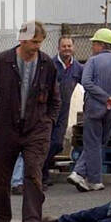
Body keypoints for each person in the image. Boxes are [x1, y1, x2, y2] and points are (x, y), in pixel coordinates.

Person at [0, 20, 61, 222]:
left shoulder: (47, 65)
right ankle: (1, 220)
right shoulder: (2, 61)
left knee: (33, 174)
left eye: (40, 42)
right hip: (5, 129)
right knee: (1, 177)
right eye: (34, 42)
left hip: (36, 129)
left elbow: (56, 99)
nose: (37, 46)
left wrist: (49, 122)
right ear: (22, 39)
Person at [68, 28, 111, 192]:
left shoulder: (93, 61)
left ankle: (83, 175)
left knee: (92, 142)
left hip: (94, 107)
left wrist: (104, 97)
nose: (92, 46)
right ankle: (89, 177)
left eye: (94, 43)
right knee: (99, 143)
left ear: (101, 44)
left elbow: (86, 82)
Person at [40, 35, 83, 188]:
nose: (67, 49)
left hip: (64, 111)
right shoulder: (50, 65)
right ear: (58, 48)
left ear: (73, 48)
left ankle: (41, 170)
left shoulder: (78, 68)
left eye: (69, 46)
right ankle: (42, 175)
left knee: (57, 143)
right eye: (64, 46)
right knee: (46, 142)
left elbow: (87, 84)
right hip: (48, 111)